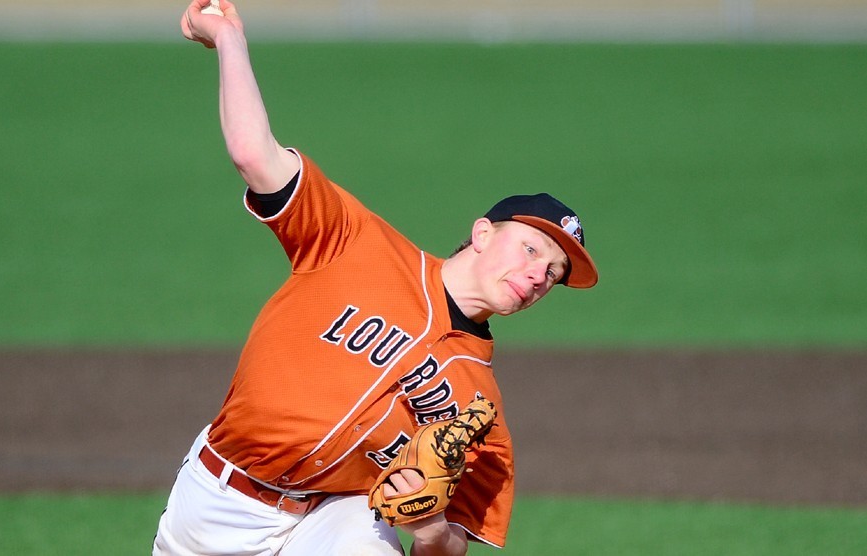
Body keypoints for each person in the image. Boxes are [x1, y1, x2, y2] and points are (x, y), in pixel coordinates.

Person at [154, 1, 599, 554]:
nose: (537, 275)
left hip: (336, 518)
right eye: (532, 248)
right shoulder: (355, 242)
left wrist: (430, 522)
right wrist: (227, 39)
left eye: (553, 273)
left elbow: (449, 546)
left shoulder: (481, 414)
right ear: (482, 232)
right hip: (221, 503)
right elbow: (254, 154)